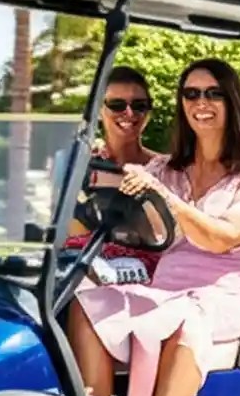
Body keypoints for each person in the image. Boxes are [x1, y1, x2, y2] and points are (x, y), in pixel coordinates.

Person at [65, 58, 240, 396]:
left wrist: (167, 198)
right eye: (190, 94)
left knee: (190, 318)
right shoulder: (168, 167)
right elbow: (123, 208)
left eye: (211, 94)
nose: (199, 104)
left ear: (231, 100)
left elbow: (224, 238)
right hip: (167, 284)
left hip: (229, 290)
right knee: (85, 299)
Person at [62, 65, 166, 281]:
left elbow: (161, 238)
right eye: (117, 105)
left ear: (149, 112)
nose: (129, 113)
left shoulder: (165, 168)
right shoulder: (83, 164)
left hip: (141, 275)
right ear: (100, 110)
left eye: (139, 106)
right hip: (80, 268)